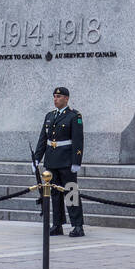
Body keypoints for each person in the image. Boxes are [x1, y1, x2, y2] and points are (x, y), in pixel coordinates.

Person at [34, 87, 85, 237]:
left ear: (66, 99)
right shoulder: (49, 116)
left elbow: (78, 141)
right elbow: (43, 139)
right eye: (54, 96)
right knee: (54, 195)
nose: (55, 99)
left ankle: (77, 225)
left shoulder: (74, 116)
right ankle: (57, 224)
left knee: (71, 193)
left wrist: (76, 161)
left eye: (59, 96)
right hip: (51, 160)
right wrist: (37, 158)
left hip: (66, 161)